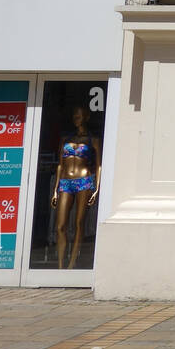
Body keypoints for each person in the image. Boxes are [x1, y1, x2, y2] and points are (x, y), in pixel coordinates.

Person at [51, 105, 101, 269]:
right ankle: (60, 265)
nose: (76, 119)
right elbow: (60, 165)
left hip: (84, 180)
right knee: (61, 226)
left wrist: (96, 188)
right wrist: (55, 190)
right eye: (74, 116)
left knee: (79, 223)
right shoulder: (66, 139)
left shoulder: (93, 140)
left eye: (79, 116)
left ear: (86, 117)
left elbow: (99, 166)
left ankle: (71, 265)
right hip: (65, 181)